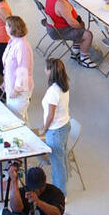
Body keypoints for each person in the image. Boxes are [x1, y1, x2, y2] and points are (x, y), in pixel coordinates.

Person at [37, 58, 72, 193]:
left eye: (46, 68)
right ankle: (63, 187)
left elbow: (50, 115)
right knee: (61, 158)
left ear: (51, 71)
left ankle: (61, 194)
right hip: (64, 125)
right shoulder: (64, 85)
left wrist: (43, 129)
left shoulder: (53, 91)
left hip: (55, 130)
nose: (44, 71)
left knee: (57, 165)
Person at [43, 0, 96, 68]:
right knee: (87, 35)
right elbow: (72, 23)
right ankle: (84, 59)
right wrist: (81, 27)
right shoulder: (61, 3)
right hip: (59, 31)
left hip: (52, 26)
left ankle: (75, 51)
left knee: (79, 25)